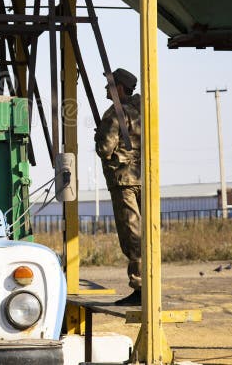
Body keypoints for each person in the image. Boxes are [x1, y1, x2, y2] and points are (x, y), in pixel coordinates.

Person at [95, 68, 143, 306]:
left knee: (131, 235)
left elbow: (104, 149)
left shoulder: (116, 113)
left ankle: (140, 287)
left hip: (123, 181)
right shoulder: (143, 109)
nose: (106, 89)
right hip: (144, 177)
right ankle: (148, 284)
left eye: (110, 85)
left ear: (120, 88)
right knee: (145, 234)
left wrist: (98, 135)